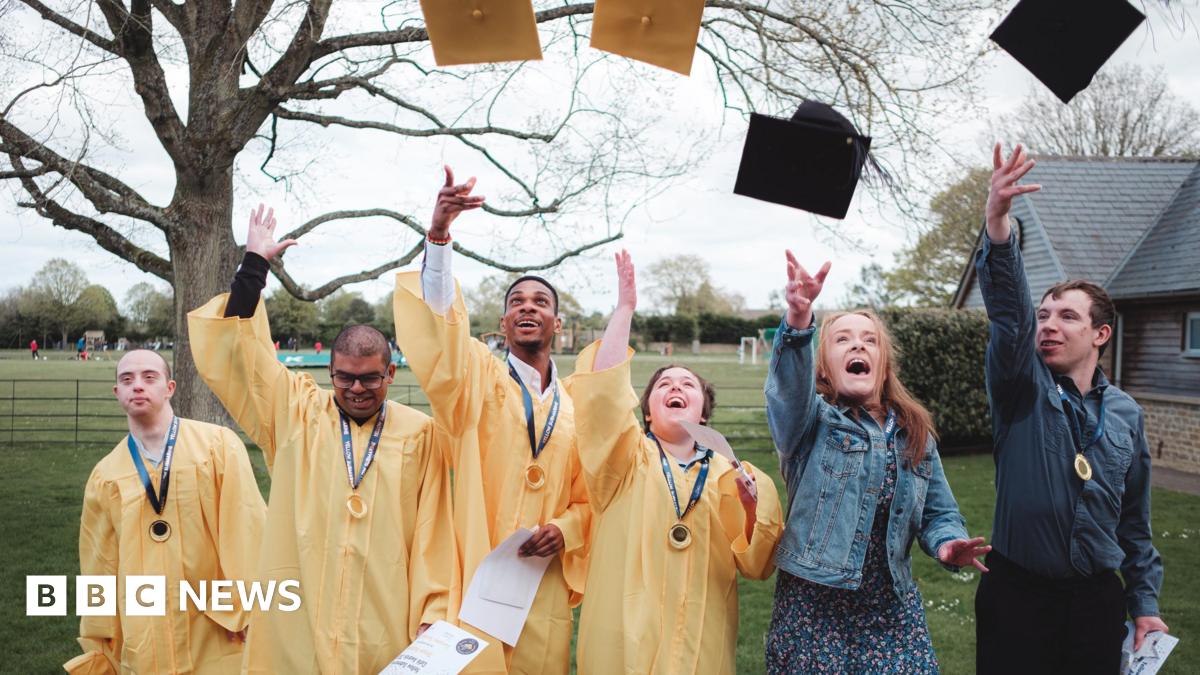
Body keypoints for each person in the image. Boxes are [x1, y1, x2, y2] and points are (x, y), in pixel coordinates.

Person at [187, 204, 454, 674]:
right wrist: (253, 267)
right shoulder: (297, 414)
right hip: (303, 620)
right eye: (344, 378)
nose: (356, 389)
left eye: (370, 379)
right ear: (329, 372)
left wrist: (433, 612)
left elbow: (435, 532)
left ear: (391, 374)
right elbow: (243, 358)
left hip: (383, 619)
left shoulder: (420, 435)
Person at [973, 143, 1166, 674]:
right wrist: (998, 223)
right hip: (1017, 598)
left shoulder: (1125, 414)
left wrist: (1144, 603)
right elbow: (1010, 315)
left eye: (1067, 317)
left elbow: (1134, 521)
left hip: (1095, 604)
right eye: (1044, 315)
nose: (1048, 325)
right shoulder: (1019, 387)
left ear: (1101, 334)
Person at [392, 167, 591, 674]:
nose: (528, 307)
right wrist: (439, 236)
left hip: (540, 585)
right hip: (475, 572)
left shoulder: (574, 407)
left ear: (557, 323)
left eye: (540, 302)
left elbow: (588, 497)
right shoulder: (478, 375)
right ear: (503, 323)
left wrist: (566, 529)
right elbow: (442, 331)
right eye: (516, 302)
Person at [763, 253, 989, 673]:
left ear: (883, 365)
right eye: (843, 339)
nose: (858, 345)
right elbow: (787, 389)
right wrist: (798, 319)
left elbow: (939, 512)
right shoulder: (810, 423)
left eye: (870, 340)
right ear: (824, 367)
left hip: (892, 609)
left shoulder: (913, 431)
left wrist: (947, 543)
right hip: (815, 610)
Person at [570, 251, 782, 674]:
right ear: (647, 412)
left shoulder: (734, 472)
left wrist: (751, 507)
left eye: (688, 384)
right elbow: (602, 396)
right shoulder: (623, 458)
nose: (676, 387)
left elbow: (758, 566)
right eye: (664, 384)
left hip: (701, 644)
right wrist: (625, 309)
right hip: (623, 641)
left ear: (703, 413)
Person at [64, 350, 266, 674]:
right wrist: (101, 642)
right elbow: (99, 565)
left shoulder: (217, 446)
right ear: (117, 393)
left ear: (170, 387)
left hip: (215, 626)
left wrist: (247, 606)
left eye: (149, 377)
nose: (137, 385)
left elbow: (247, 529)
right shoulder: (106, 476)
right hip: (146, 634)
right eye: (127, 379)